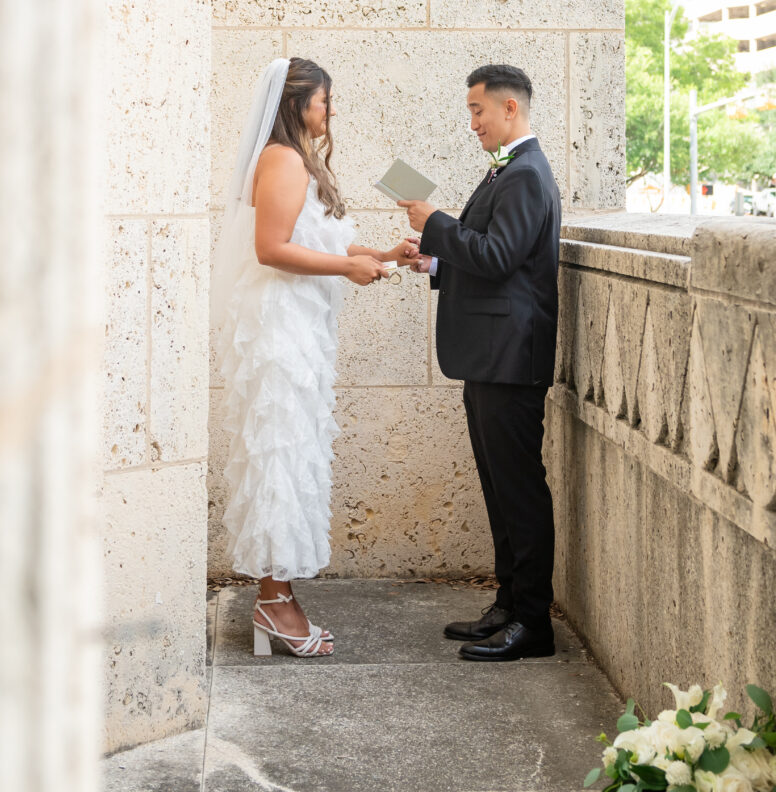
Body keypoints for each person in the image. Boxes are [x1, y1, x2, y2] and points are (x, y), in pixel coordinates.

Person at [213, 56, 418, 657]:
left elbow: (316, 241)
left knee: (294, 450)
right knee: (279, 451)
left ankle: (278, 597)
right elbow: (272, 248)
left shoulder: (299, 162)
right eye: (323, 100)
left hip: (298, 330)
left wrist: (381, 253)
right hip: (278, 334)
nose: (331, 110)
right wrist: (348, 268)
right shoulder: (280, 159)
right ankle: (274, 602)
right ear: (297, 102)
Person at [397, 63, 562, 661]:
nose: (472, 123)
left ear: (510, 109)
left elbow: (496, 256)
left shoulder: (525, 174)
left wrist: (435, 223)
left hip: (511, 357)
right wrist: (436, 260)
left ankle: (533, 624)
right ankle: (508, 603)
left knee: (519, 489)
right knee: (497, 485)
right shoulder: (510, 172)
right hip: (489, 355)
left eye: (478, 111)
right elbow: (499, 260)